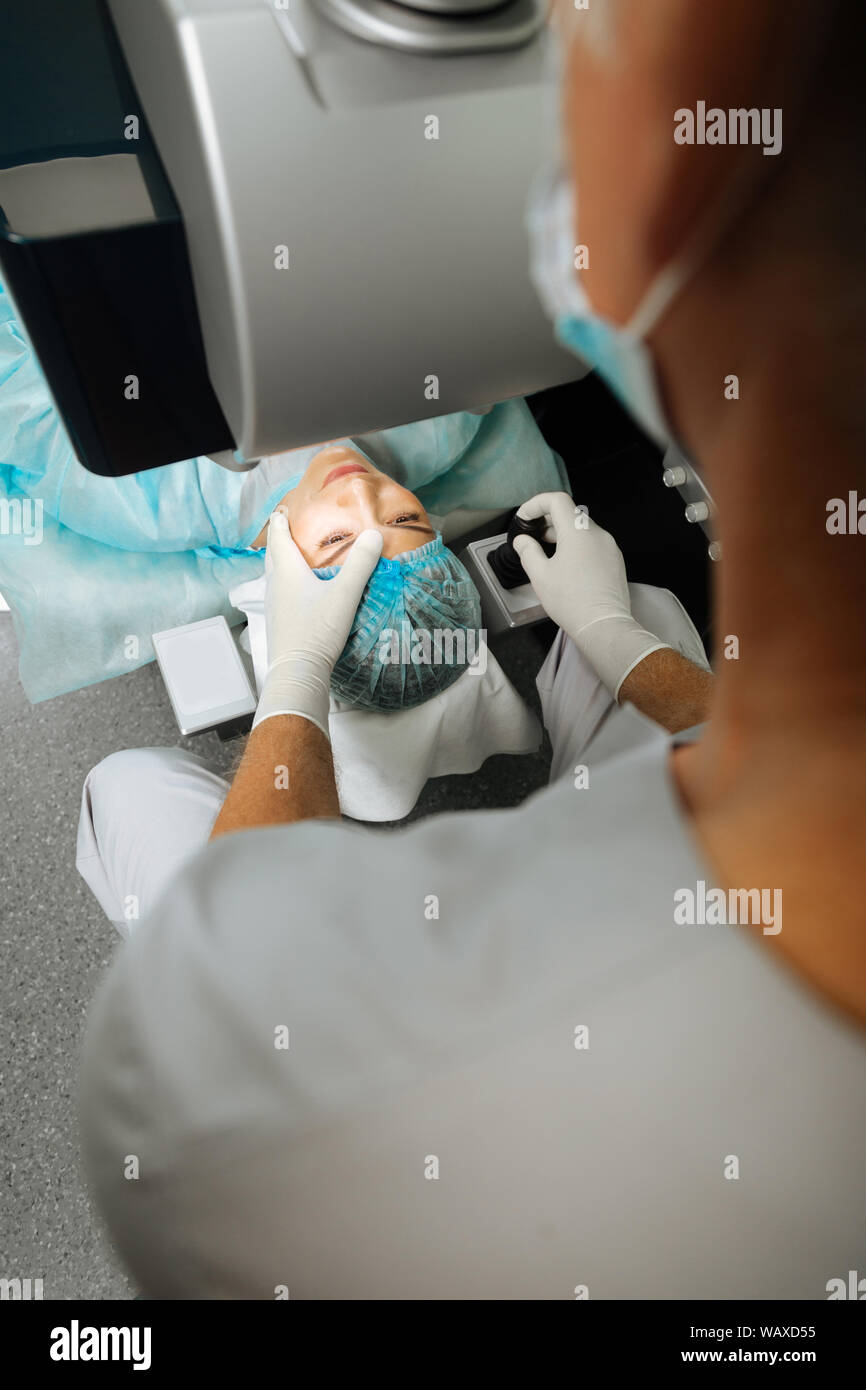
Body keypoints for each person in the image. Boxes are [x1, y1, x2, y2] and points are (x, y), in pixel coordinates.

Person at [79, 0, 866, 1298]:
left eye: (581, 34)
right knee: (645, 642)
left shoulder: (267, 1115)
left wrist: (290, 673)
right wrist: (610, 635)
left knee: (135, 798)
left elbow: (226, 952)